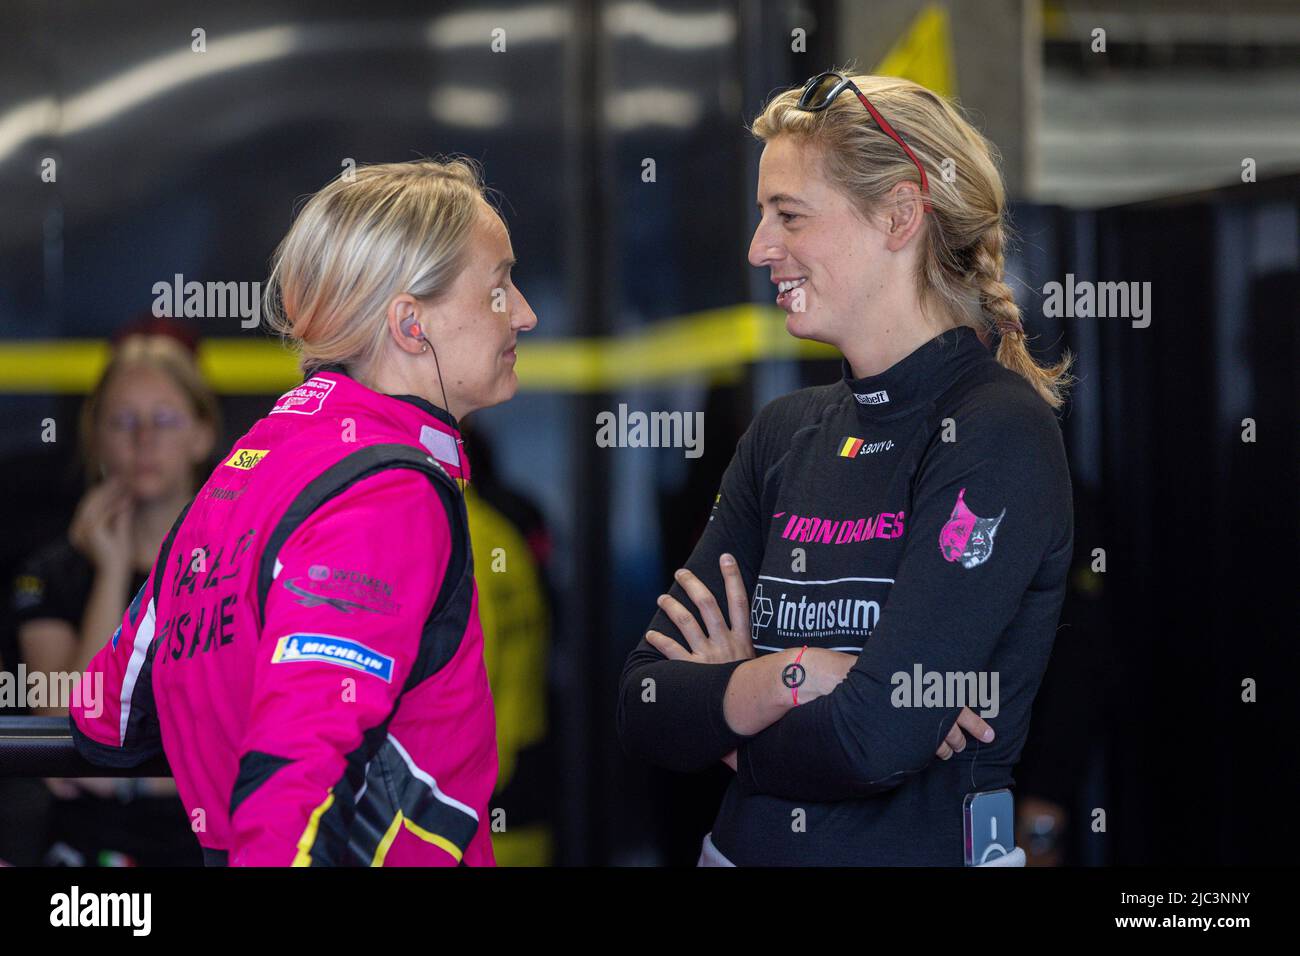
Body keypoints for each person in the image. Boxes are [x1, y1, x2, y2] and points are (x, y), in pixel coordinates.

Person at [617, 71, 1074, 865]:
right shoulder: (784, 431)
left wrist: (732, 705)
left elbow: (872, 739)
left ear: (900, 215)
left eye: (788, 215)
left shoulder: (997, 431)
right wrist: (799, 675)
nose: (760, 248)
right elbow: (647, 700)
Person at [70, 157, 538, 866]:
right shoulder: (392, 491)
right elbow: (296, 764)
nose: (525, 313)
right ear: (411, 324)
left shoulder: (239, 472)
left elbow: (107, 714)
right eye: (499, 287)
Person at [12, 326, 217, 866]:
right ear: (97, 437)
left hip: (205, 843)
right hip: (85, 854)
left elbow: (252, 739)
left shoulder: (238, 562)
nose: (144, 439)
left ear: (201, 434)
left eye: (164, 419)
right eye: (124, 421)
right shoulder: (52, 571)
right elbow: (64, 738)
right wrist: (111, 571)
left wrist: (130, 784)